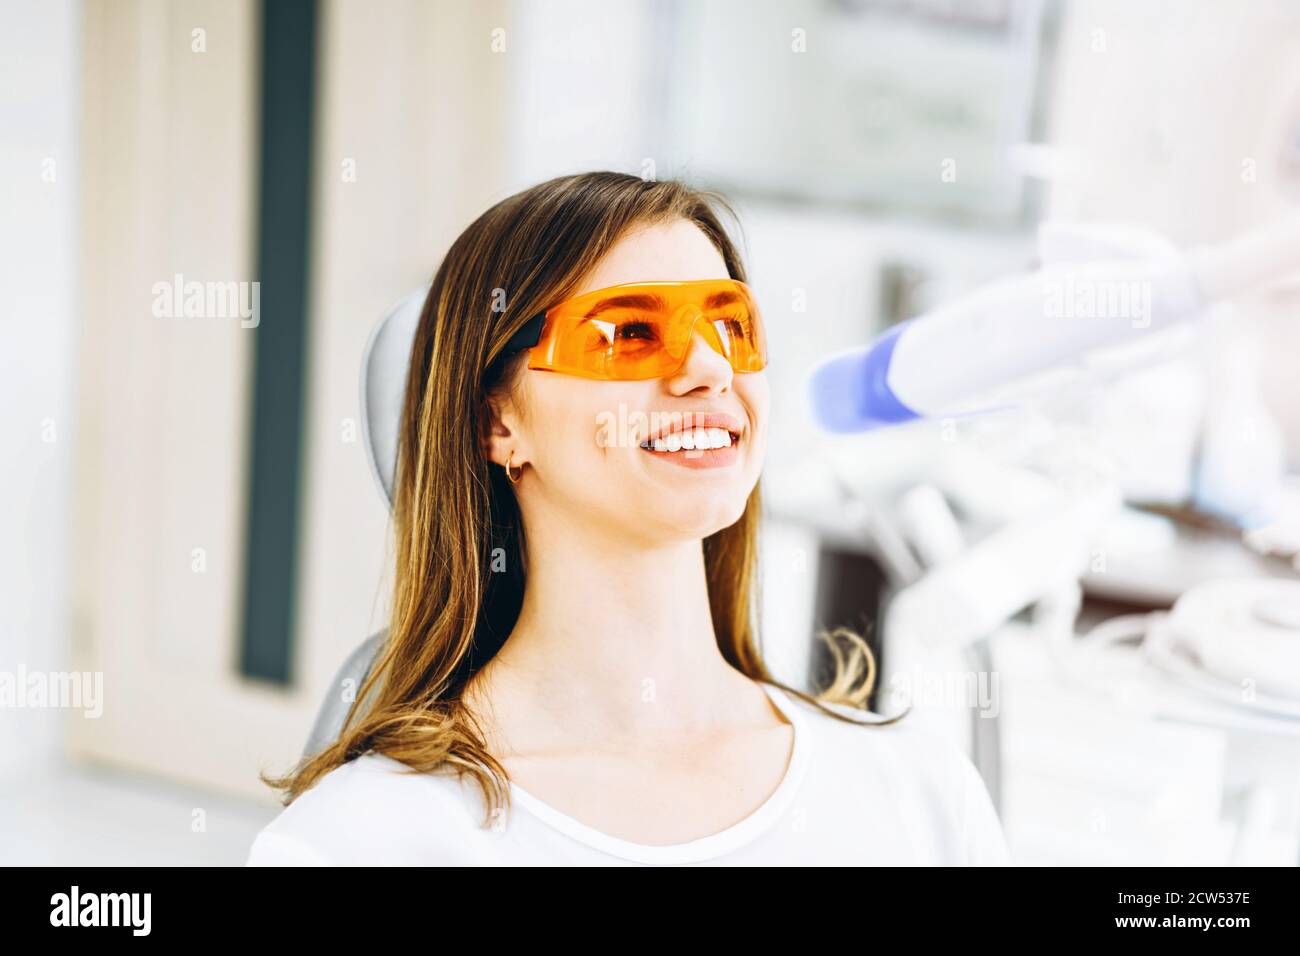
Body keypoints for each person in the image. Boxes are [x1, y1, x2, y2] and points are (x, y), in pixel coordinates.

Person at [246, 171, 1012, 866]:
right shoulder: (367, 840)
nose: (710, 369)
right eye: (629, 334)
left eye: (729, 327)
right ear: (498, 423)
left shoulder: (920, 793)